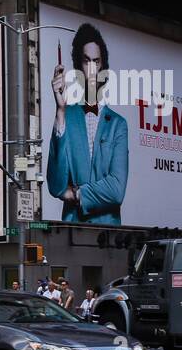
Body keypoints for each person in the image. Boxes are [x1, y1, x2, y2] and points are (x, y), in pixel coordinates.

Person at [47, 22, 129, 224]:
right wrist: (60, 111)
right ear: (77, 67)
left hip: (108, 235)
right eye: (86, 61)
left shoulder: (118, 124)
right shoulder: (66, 116)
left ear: (104, 68)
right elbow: (56, 185)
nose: (91, 69)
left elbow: (117, 190)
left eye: (96, 61)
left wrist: (77, 194)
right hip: (72, 233)